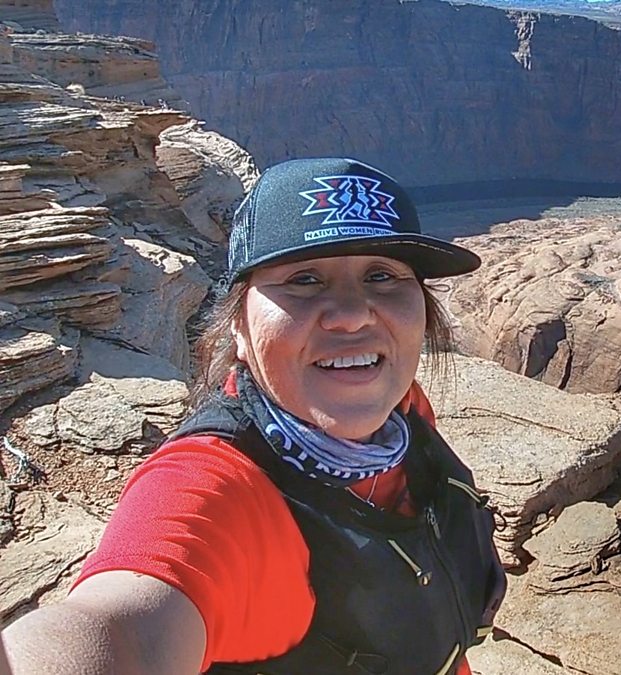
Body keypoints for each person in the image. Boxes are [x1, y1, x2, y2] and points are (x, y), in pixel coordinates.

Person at [0, 158, 506, 674]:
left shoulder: (401, 412)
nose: (354, 314)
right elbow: (114, 627)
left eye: (383, 275)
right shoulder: (217, 489)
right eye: (305, 279)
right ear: (238, 327)